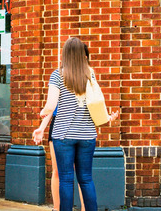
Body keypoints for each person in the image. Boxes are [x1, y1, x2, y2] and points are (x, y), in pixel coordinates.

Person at [38, 37, 119, 211]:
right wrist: (107, 117)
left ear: (65, 54)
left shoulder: (57, 75)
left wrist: (43, 112)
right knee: (86, 178)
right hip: (87, 135)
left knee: (66, 179)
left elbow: (51, 105)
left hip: (63, 136)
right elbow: (95, 101)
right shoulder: (89, 73)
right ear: (82, 54)